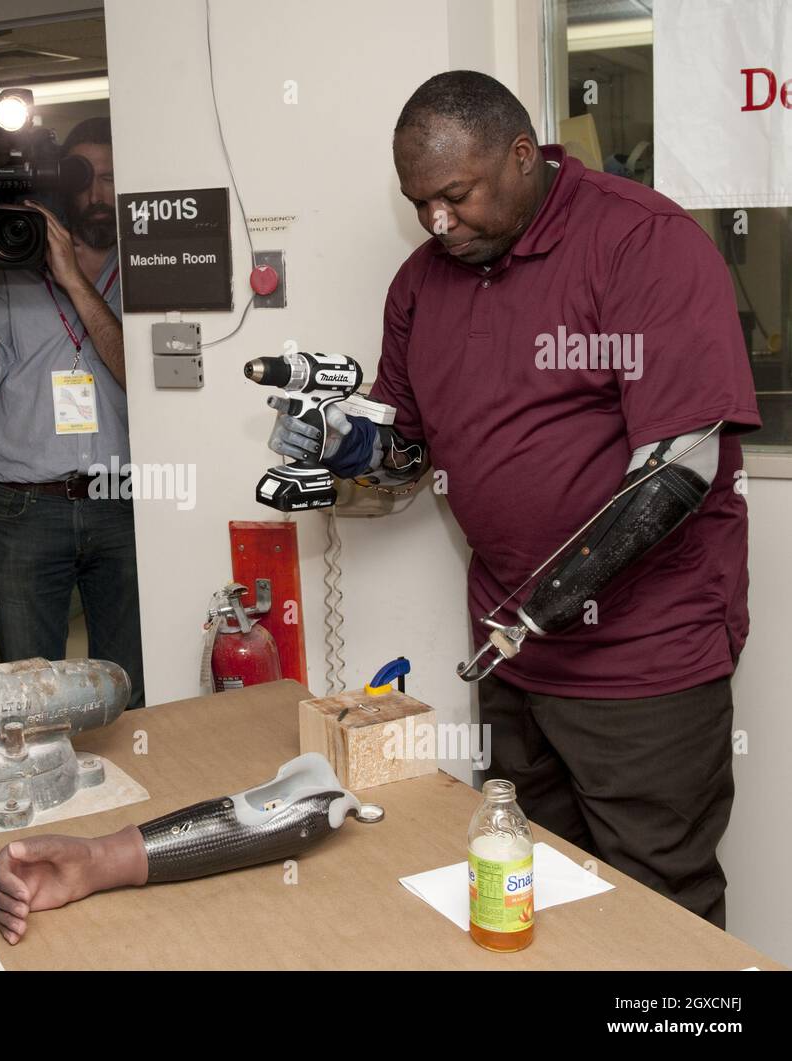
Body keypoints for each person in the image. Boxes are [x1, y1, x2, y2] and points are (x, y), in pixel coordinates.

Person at [272, 71, 759, 929]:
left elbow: (680, 467)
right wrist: (347, 447)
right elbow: (407, 452)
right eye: (418, 202)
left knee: (659, 902)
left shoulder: (641, 242)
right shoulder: (422, 284)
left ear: (524, 155)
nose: (436, 221)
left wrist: (548, 603)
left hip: (644, 658)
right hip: (511, 659)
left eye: (454, 196)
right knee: (529, 880)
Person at [0, 116, 144, 707]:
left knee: (132, 684)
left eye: (111, 179)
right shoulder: (11, 274)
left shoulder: (145, 274)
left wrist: (74, 283)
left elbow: (138, 375)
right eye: (83, 179)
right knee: (31, 697)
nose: (96, 195)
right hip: (25, 509)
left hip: (124, 502)